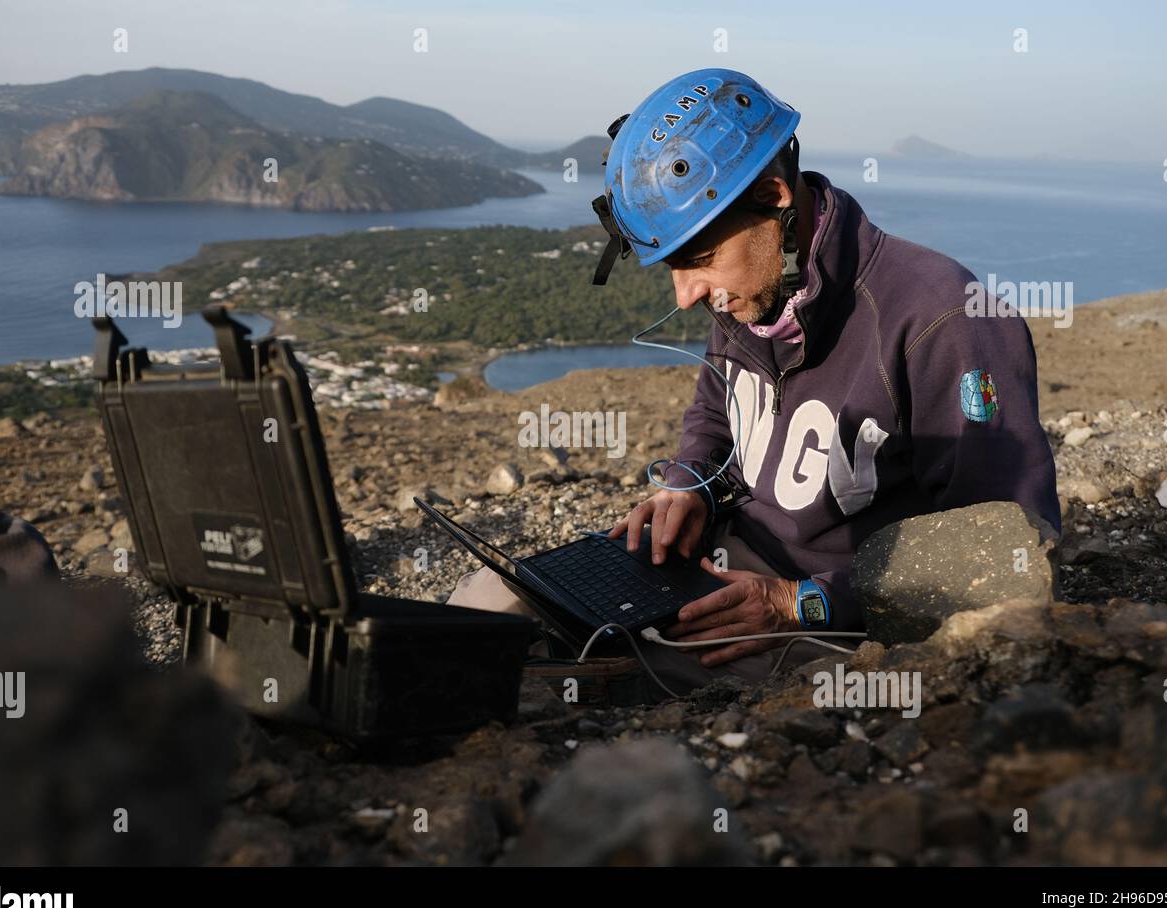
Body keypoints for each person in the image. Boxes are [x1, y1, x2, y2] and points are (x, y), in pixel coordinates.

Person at [448, 67, 1060, 695]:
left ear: (773, 198)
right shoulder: (758, 293)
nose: (686, 296)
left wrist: (807, 603)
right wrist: (690, 488)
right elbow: (719, 408)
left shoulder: (942, 319)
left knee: (544, 687)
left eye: (698, 260)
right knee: (486, 607)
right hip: (723, 563)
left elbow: (1002, 543)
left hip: (828, 618)